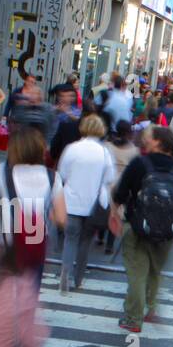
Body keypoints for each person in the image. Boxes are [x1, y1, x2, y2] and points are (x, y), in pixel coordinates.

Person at [113, 125, 173, 332]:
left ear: (157, 141)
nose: (143, 138)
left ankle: (133, 318)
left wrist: (113, 215)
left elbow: (120, 194)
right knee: (156, 271)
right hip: (167, 229)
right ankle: (151, 308)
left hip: (137, 227)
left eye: (148, 136)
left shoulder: (139, 163)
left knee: (137, 273)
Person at [0, 124, 64, 286]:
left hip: (5, 243)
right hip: (34, 244)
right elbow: (61, 218)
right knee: (29, 297)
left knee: (2, 299)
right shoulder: (53, 177)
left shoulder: (2, 171)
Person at [56, 114, 116, 293]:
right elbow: (109, 178)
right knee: (85, 243)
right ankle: (78, 278)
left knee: (70, 240)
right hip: (92, 204)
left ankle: (64, 272)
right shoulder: (103, 152)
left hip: (71, 201)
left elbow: (62, 173)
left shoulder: (72, 148)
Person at [102, 119, 137, 255]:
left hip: (107, 181)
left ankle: (100, 235)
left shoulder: (107, 146)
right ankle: (109, 245)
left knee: (104, 208)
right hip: (122, 183)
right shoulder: (133, 150)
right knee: (116, 213)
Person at [49, 83, 83, 162]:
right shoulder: (51, 109)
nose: (66, 98)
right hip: (51, 147)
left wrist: (68, 113)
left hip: (68, 150)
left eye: (70, 95)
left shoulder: (77, 112)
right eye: (63, 96)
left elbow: (81, 123)